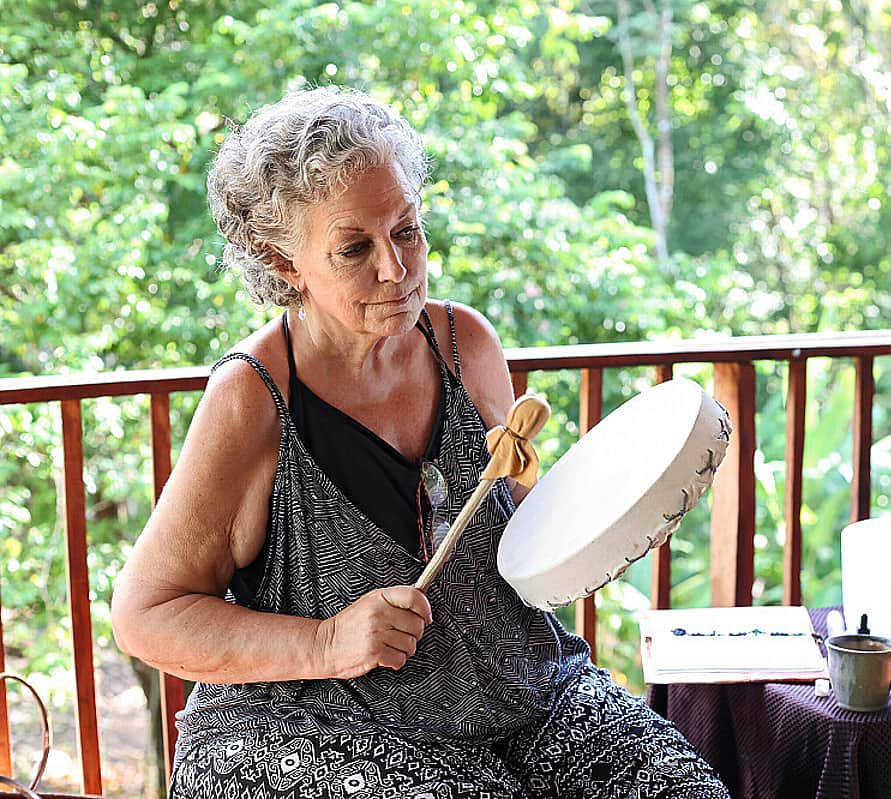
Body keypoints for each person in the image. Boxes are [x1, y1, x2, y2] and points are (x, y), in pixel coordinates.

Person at [111, 86, 730, 799]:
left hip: (524, 695)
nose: (396, 268)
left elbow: (524, 532)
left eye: (407, 230)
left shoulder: (466, 343)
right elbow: (146, 614)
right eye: (354, 248)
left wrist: (605, 516)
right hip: (310, 727)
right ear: (283, 261)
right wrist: (327, 641)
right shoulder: (253, 399)